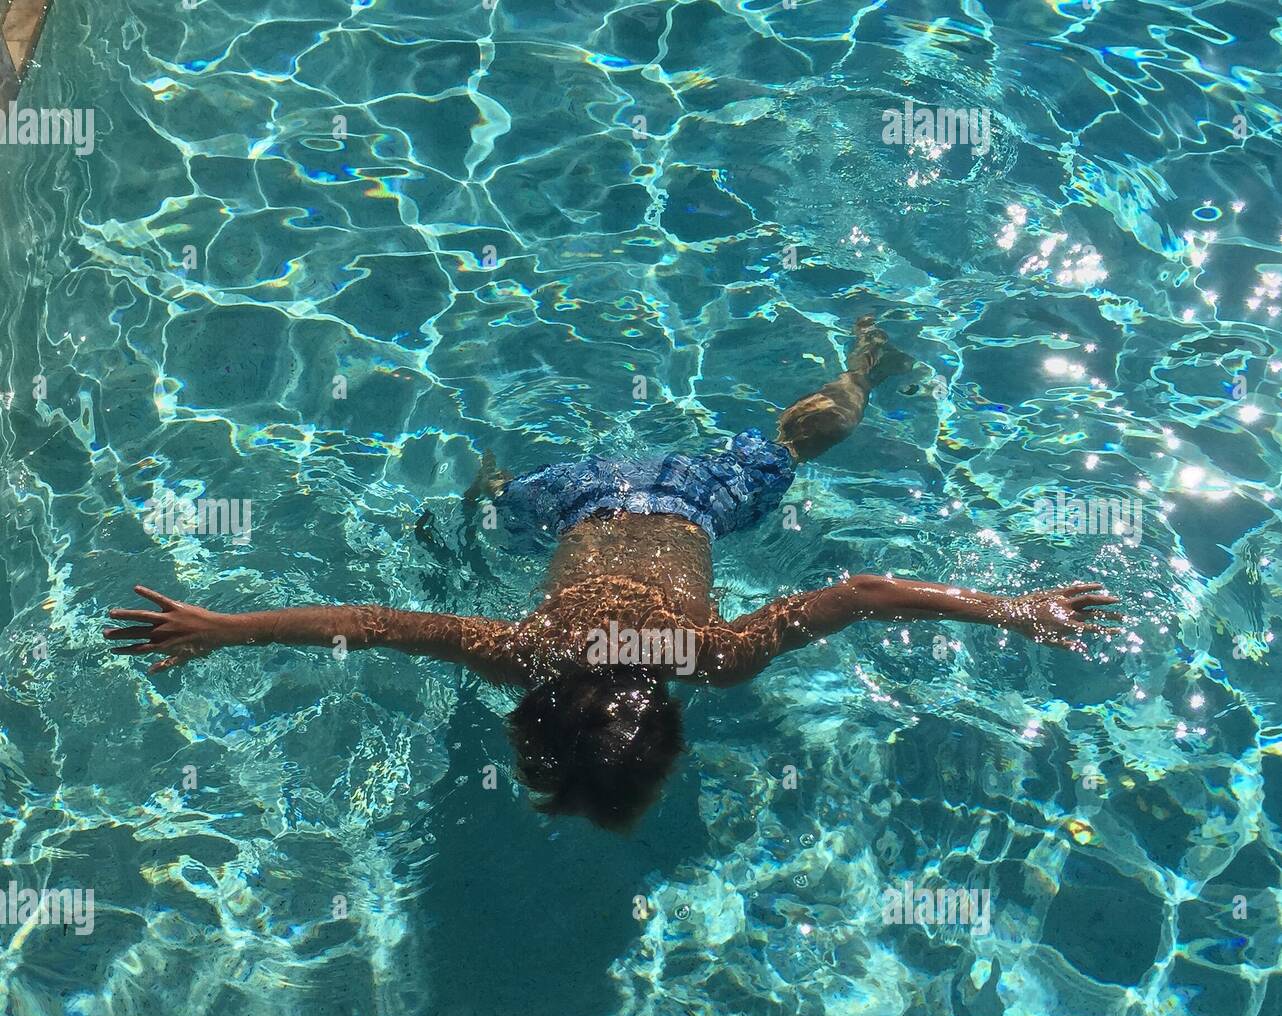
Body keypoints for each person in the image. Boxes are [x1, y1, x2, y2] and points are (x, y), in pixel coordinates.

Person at [105, 317, 1120, 831]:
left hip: (648, 500)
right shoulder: (531, 653)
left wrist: (1011, 606)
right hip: (603, 500)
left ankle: (858, 364)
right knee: (504, 510)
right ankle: (860, 364)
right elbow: (370, 621)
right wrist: (227, 627)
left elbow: (855, 598)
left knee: (480, 521)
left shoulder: (699, 656)